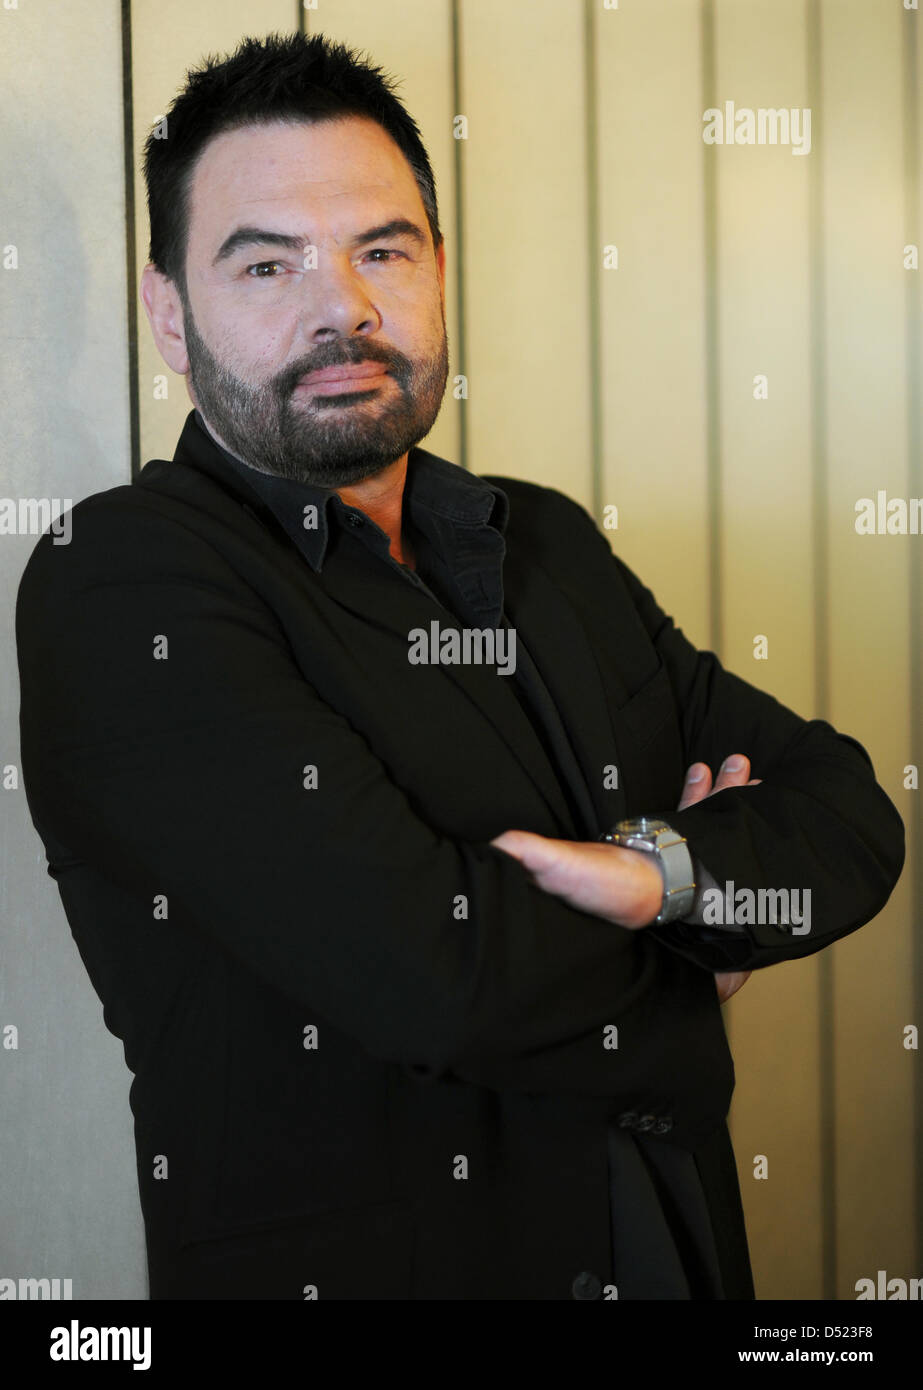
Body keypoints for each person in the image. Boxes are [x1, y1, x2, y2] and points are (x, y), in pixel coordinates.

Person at [15, 31, 903, 1300]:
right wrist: (700, 918)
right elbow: (437, 981)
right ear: (169, 312)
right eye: (267, 262)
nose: (344, 307)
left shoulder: (542, 539)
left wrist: (651, 876)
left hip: (674, 1247)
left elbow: (846, 810)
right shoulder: (120, 580)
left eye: (383, 248)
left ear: (437, 271)